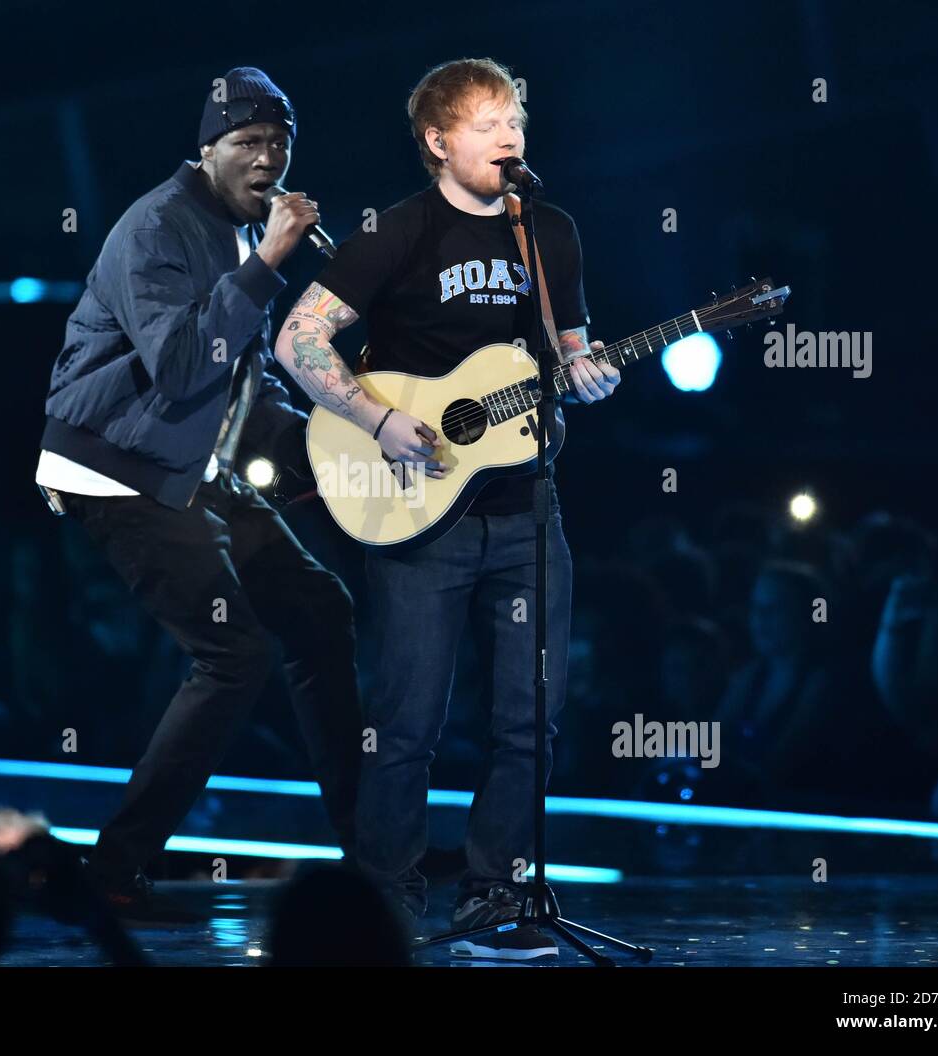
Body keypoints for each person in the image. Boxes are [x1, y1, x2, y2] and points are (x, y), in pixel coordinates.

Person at [272, 58, 620, 958]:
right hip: (420, 513)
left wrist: (590, 376)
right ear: (437, 142)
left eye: (516, 119)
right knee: (407, 722)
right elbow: (297, 337)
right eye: (487, 123)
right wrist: (376, 417)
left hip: (527, 510)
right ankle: (384, 904)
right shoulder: (398, 233)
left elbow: (569, 351)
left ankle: (495, 894)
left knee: (528, 719)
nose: (510, 137)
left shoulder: (550, 233)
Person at [34, 67, 363, 924]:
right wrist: (274, 264)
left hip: (189, 471)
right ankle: (110, 870)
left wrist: (348, 433)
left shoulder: (239, 233)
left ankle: (374, 849)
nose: (266, 160)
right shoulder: (159, 226)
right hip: (116, 470)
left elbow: (243, 387)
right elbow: (183, 364)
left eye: (278, 145)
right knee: (234, 655)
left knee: (320, 610)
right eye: (247, 144)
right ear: (206, 149)